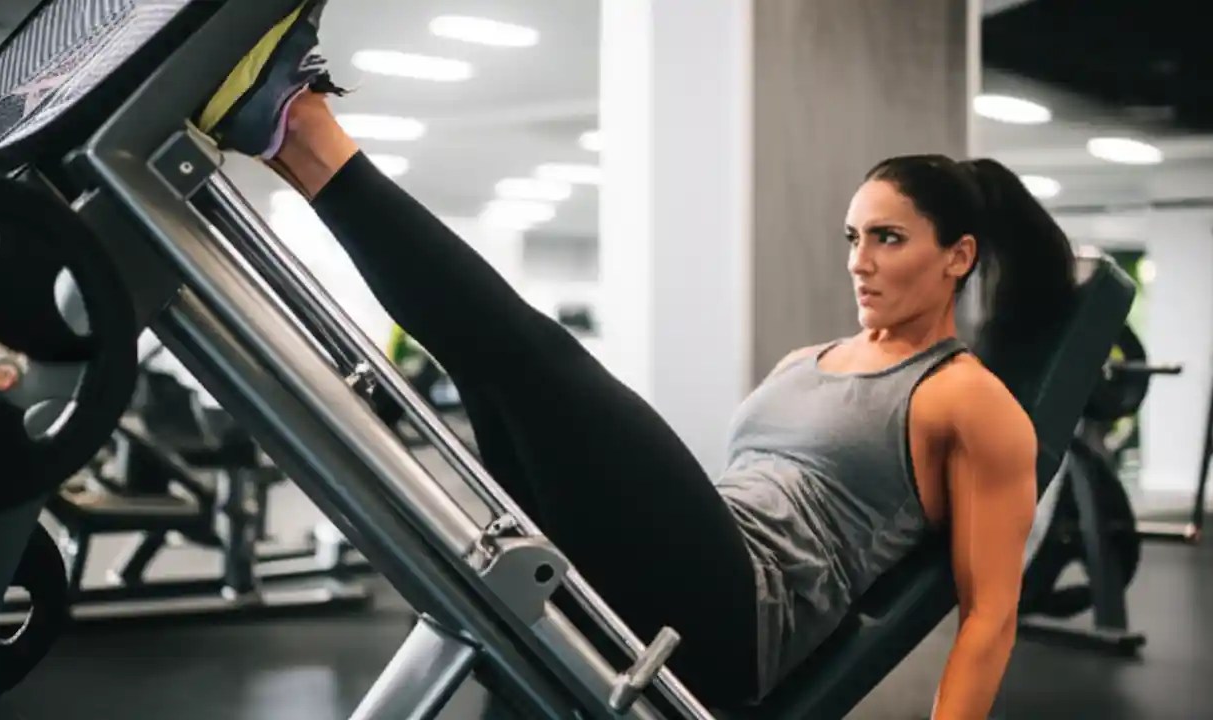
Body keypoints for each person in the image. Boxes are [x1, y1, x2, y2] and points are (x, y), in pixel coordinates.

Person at [193, 3, 1077, 716]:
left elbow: (991, 616)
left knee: (532, 356)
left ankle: (294, 130)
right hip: (697, 558)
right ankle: (279, 132)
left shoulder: (968, 400)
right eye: (853, 237)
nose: (859, 259)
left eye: (888, 239)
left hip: (739, 616)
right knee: (486, 371)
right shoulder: (815, 356)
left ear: (957, 256)